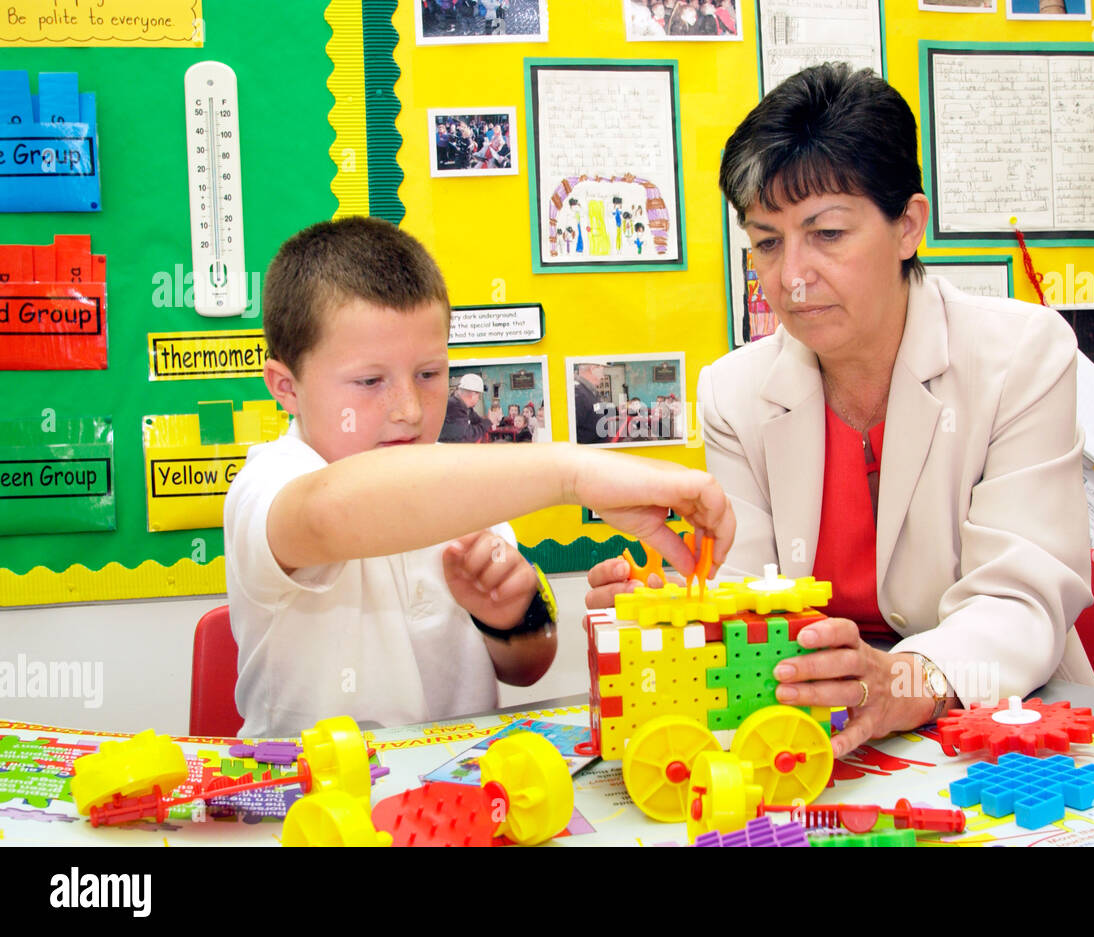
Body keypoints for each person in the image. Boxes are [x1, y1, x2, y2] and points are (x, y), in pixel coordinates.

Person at [587, 64, 1094, 758]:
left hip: (996, 720)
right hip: (821, 735)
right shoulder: (734, 395)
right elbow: (749, 598)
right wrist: (673, 615)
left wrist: (908, 676)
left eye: (826, 233)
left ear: (908, 226)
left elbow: (1022, 598)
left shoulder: (1023, 357)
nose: (790, 276)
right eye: (767, 242)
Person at [224, 217, 735, 738]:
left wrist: (512, 618)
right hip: (317, 804)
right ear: (285, 387)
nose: (408, 409)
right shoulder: (272, 480)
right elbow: (326, 514)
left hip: (460, 787)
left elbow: (525, 667)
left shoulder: (461, 481)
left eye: (428, 374)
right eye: (370, 381)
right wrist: (573, 472)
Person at [439, 373, 491, 442]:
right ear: (473, 395)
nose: (479, 399)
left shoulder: (465, 407)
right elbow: (467, 436)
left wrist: (489, 419)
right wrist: (488, 422)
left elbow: (477, 420)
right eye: (479, 395)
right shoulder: (453, 407)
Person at [574, 361, 609, 444]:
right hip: (586, 453)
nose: (603, 376)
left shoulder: (588, 391)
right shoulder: (578, 393)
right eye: (602, 371)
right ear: (593, 369)